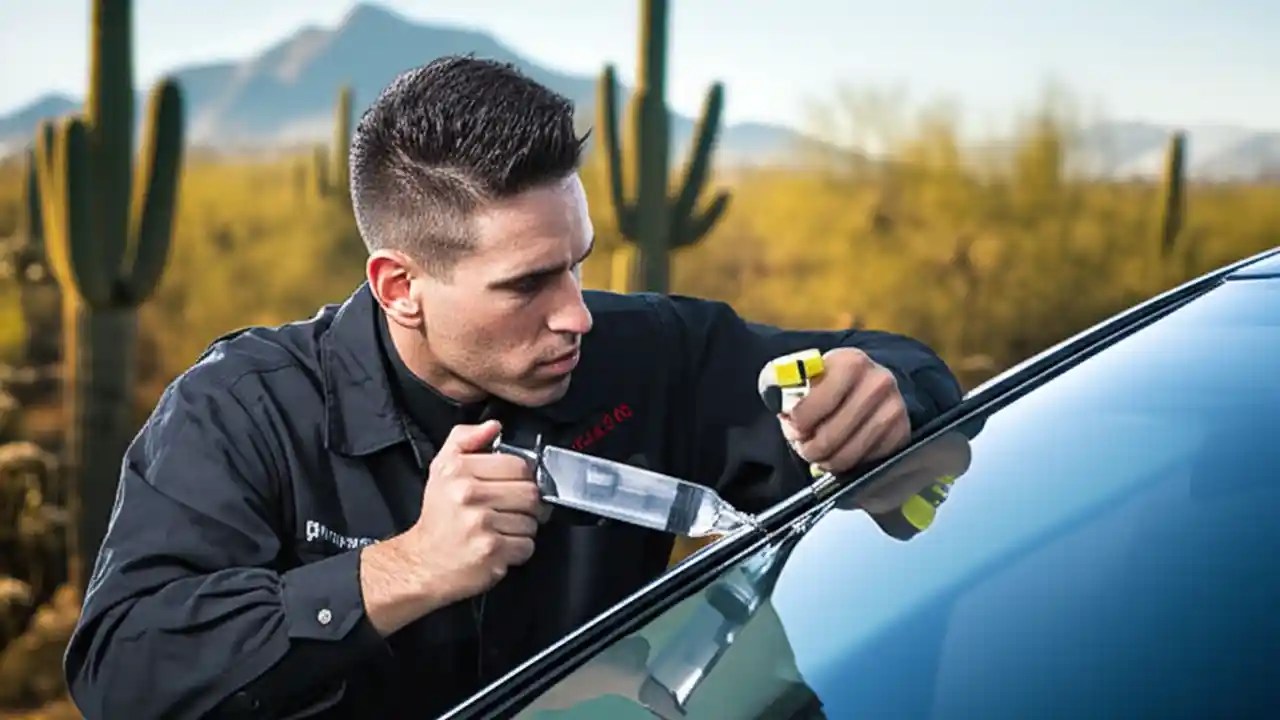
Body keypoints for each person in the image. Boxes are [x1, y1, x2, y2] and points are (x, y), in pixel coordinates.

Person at [62, 55, 964, 719]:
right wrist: (400, 570)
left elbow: (909, 376)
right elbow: (122, 671)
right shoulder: (242, 411)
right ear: (399, 288)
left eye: (577, 264)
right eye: (528, 284)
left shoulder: (643, 354)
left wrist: (889, 394)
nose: (575, 314)